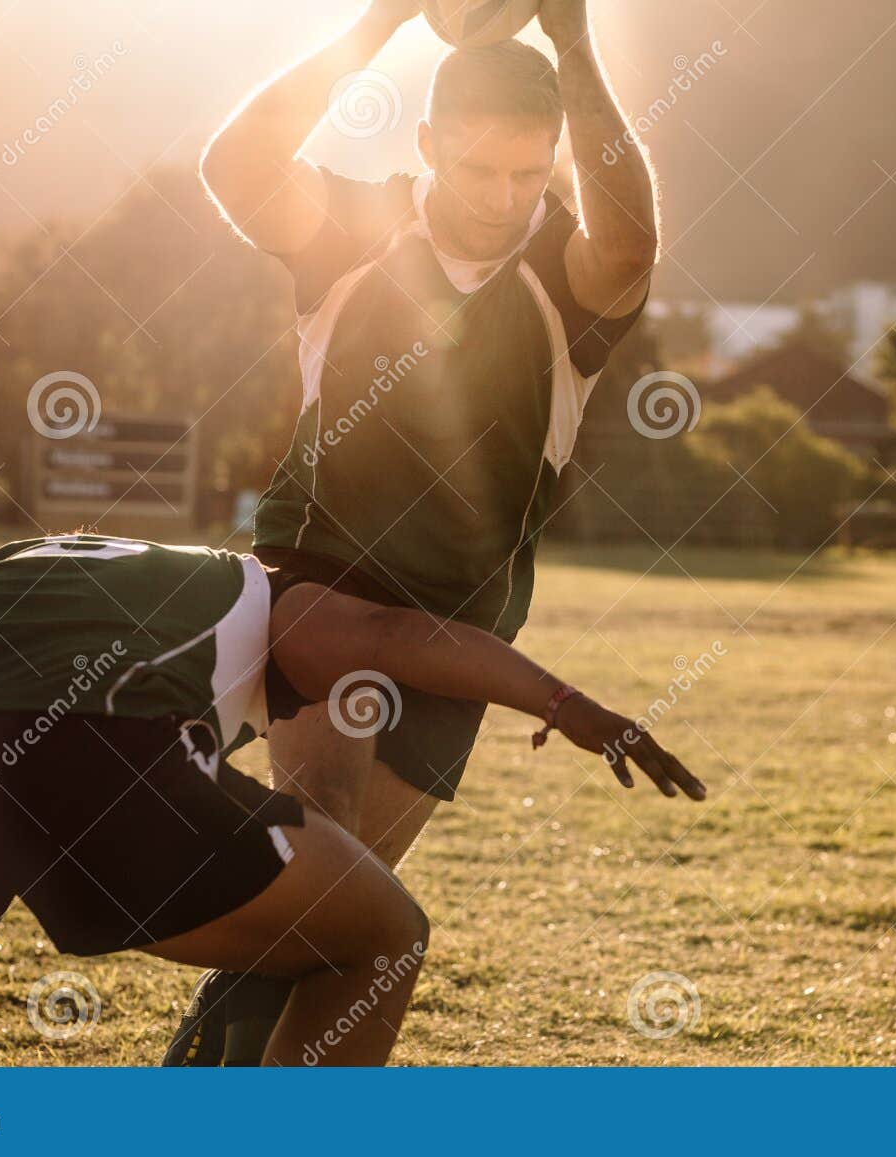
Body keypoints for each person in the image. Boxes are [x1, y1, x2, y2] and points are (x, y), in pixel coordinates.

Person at [0, 534, 703, 1065]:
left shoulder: (31, 555)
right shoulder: (273, 596)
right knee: (380, 934)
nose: (304, 709)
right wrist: (569, 704)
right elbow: (397, 636)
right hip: (99, 748)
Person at [172, 0, 661, 1063]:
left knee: (335, 911)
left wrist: (575, 40)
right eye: (479, 168)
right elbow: (235, 166)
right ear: (428, 143)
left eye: (528, 173)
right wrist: (386, 15)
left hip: (462, 623)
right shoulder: (354, 227)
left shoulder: (568, 276)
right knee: (320, 844)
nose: (503, 198)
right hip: (321, 581)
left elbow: (632, 243)